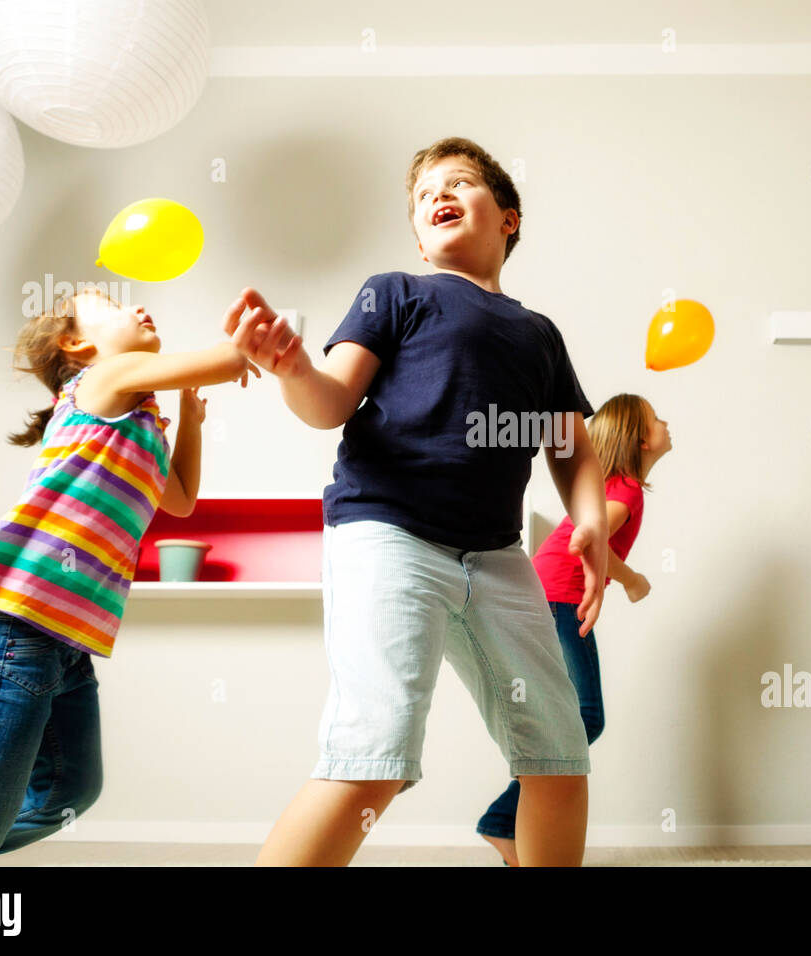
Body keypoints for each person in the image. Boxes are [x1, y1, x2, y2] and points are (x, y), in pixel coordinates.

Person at [226, 136, 609, 866]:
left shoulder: (540, 335)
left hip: (499, 557)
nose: (438, 195)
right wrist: (292, 365)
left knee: (559, 752)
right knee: (377, 754)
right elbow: (330, 400)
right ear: (418, 236)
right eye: (423, 196)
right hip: (389, 536)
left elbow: (570, 445)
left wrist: (589, 520)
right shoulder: (395, 292)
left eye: (461, 182)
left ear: (509, 218)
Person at [0, 287, 257, 866]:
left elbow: (178, 499)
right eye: (112, 303)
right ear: (78, 344)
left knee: (67, 794)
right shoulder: (105, 380)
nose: (137, 306)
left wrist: (191, 417)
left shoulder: (141, 420)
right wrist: (249, 335)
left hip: (63, 642)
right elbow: (230, 361)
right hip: (10, 626)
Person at [476, 393, 671, 865]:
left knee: (573, 716)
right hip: (558, 597)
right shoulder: (623, 491)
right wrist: (633, 581)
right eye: (657, 419)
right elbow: (595, 543)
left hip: (550, 594)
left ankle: (512, 821)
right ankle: (504, 820)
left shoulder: (621, 487)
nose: (666, 424)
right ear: (641, 438)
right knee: (586, 714)